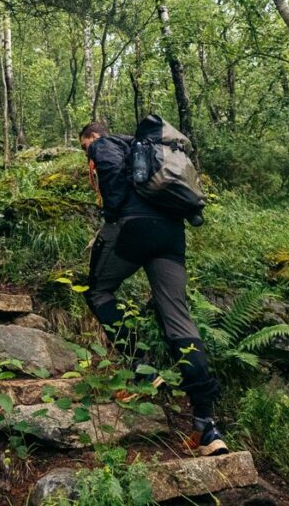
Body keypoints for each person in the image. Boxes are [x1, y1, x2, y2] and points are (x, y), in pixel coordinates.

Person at [79, 120, 228, 456]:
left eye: (83, 145)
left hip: (132, 227)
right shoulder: (152, 151)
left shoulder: (104, 143)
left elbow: (107, 174)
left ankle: (141, 368)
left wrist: (114, 214)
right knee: (178, 317)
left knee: (98, 292)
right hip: (171, 234)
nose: (85, 151)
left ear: (91, 136)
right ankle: (206, 426)